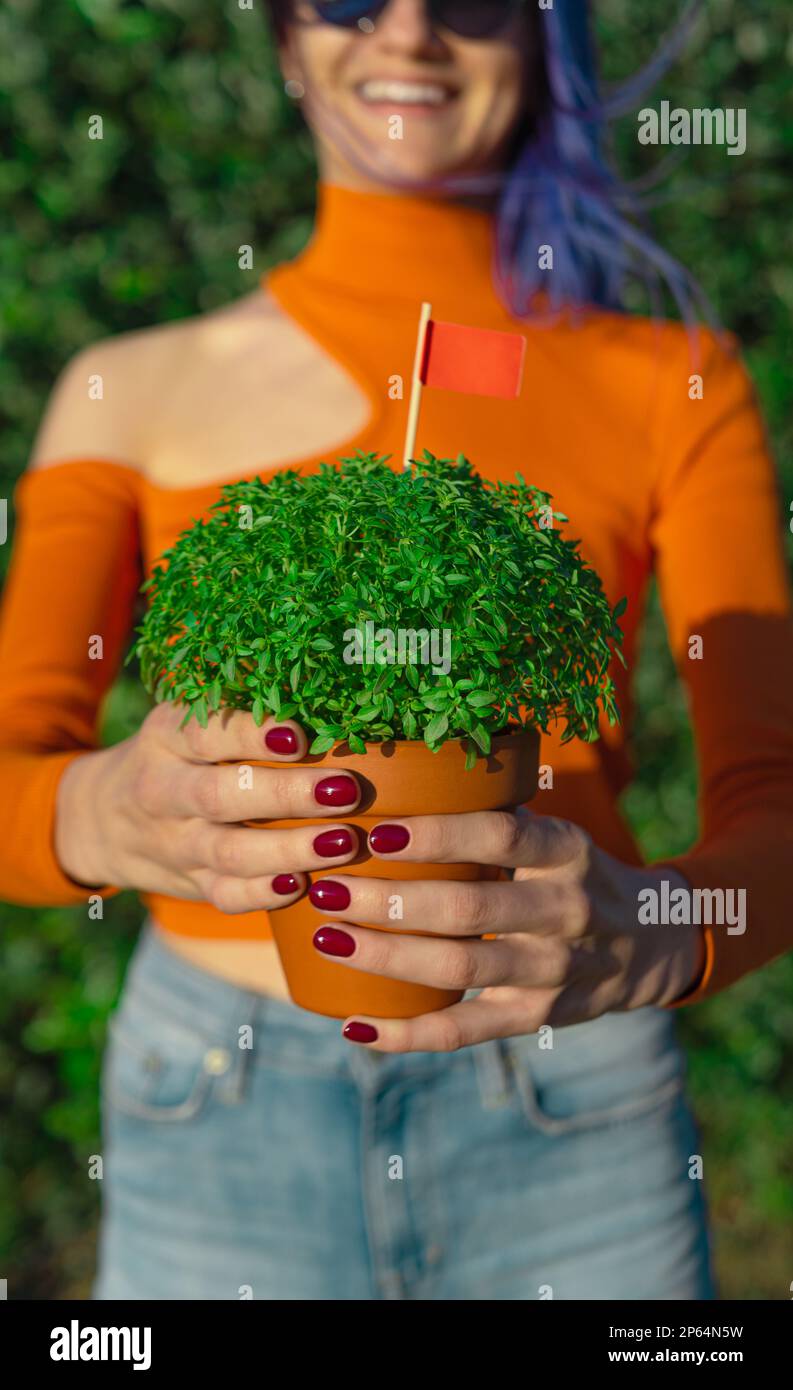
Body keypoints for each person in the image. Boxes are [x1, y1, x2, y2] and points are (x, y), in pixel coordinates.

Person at [1, 0, 791, 1301]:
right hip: (216, 1092)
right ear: (283, 42)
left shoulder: (674, 383)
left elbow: (775, 798)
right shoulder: (124, 383)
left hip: (569, 1091)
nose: (409, 34)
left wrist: (667, 927)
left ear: (544, 44)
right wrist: (100, 809)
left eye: (470, 0)